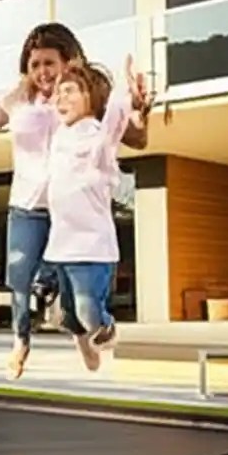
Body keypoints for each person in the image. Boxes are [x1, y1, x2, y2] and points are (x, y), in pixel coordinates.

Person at [0, 22, 153, 380]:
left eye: (50, 63)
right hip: (28, 204)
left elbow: (134, 137)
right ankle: (21, 340)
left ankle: (81, 334)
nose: (43, 72)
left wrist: (139, 108)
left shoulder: (82, 94)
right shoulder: (17, 99)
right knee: (19, 276)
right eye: (35, 65)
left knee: (70, 287)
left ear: (69, 61)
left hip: (72, 210)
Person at [44, 59, 137, 372]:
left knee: (87, 310)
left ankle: (106, 327)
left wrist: (125, 93)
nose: (61, 98)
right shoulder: (60, 138)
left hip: (91, 248)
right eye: (59, 92)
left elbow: (113, 124)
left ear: (91, 98)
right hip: (62, 246)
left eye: (70, 90)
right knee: (68, 314)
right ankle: (88, 347)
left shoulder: (98, 142)